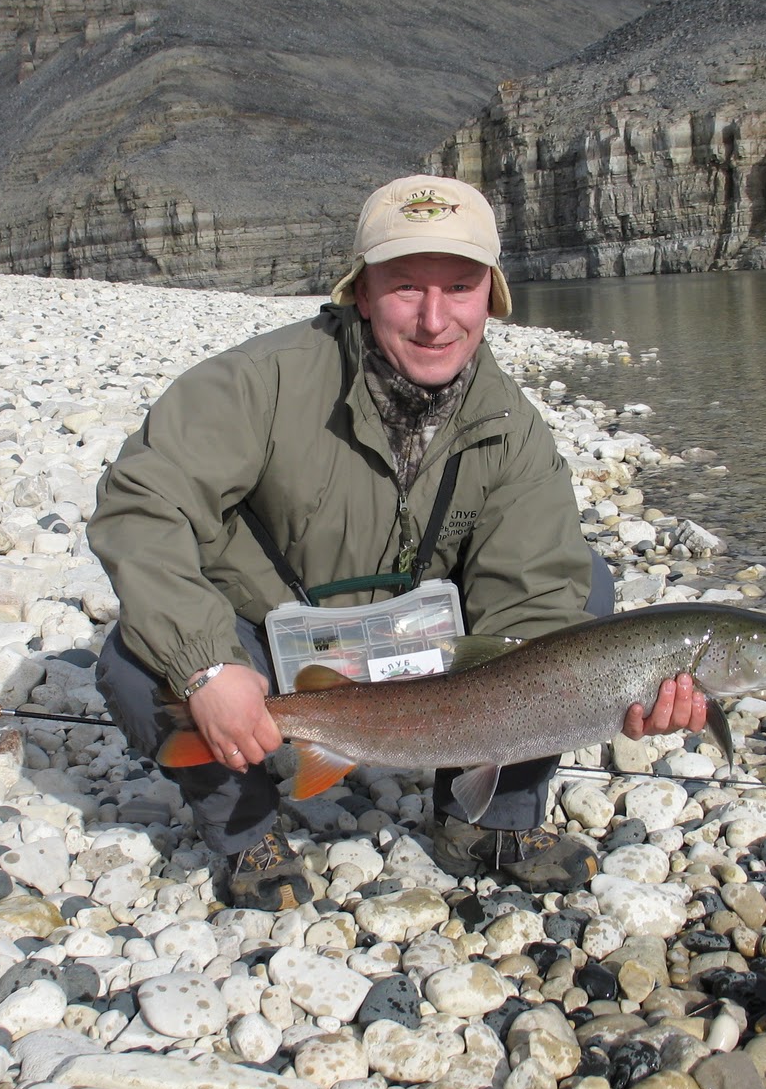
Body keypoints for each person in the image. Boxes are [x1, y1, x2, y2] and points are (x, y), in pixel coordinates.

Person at [89, 174, 706, 911]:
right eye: (406, 287)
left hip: (427, 656)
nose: (435, 319)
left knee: (591, 594)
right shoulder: (261, 383)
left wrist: (608, 697)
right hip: (269, 642)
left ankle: (490, 820)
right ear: (361, 291)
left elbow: (535, 598)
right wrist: (205, 669)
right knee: (138, 662)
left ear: (492, 299)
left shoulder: (511, 427)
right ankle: (244, 827)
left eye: (461, 287)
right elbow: (140, 502)